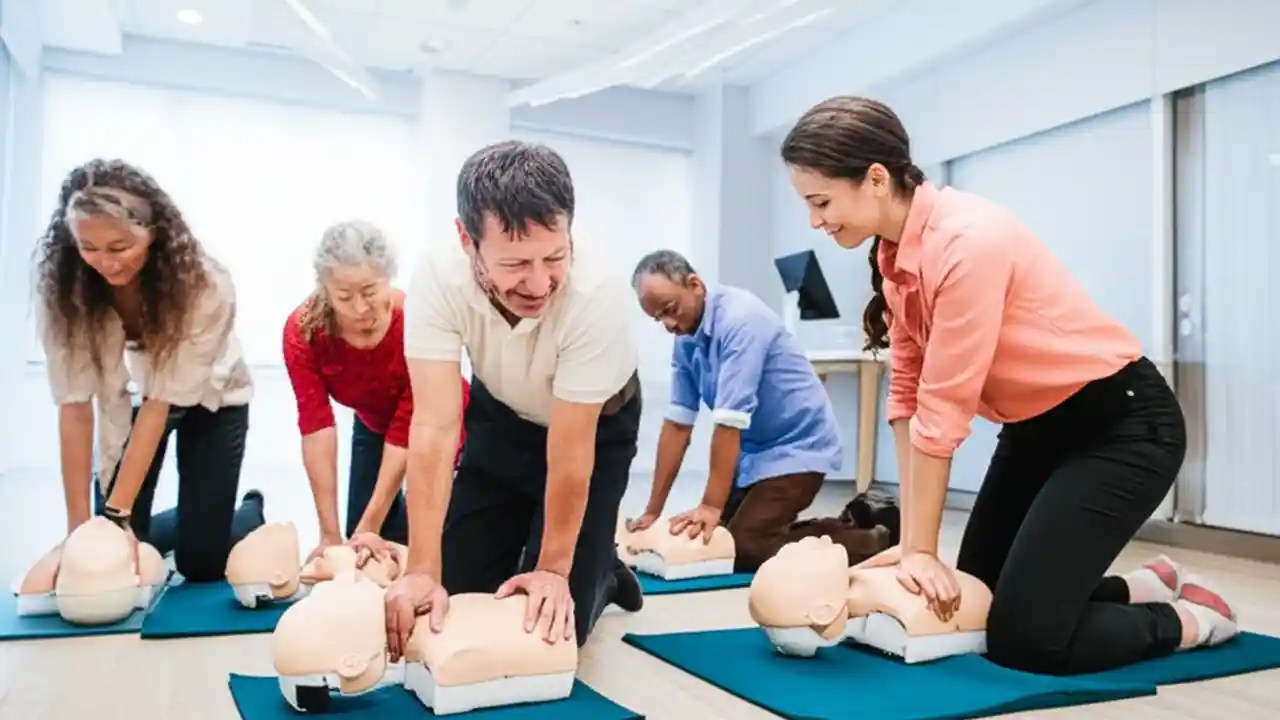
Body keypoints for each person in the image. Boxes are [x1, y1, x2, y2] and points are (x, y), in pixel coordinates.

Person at [778, 96, 1239, 675]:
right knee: (978, 596)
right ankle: (1144, 586)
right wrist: (914, 547)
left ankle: (1191, 620)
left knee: (1025, 639)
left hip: (1121, 428)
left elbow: (943, 413)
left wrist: (922, 547)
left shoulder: (968, 242)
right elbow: (908, 396)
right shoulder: (894, 255)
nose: (815, 222)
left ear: (874, 178)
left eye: (820, 202)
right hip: (1034, 432)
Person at [377, 139, 643, 658]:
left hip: (594, 429)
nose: (540, 283)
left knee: (550, 627)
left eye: (555, 257)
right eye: (516, 263)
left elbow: (569, 454)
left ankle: (603, 573)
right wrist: (422, 570)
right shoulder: (437, 276)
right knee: (451, 599)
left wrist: (551, 571)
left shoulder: (597, 293)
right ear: (466, 239)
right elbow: (433, 426)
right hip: (501, 417)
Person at [33, 158, 264, 582]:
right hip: (140, 398)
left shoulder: (205, 285)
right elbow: (75, 406)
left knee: (201, 563)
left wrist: (116, 515)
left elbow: (162, 402)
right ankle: (182, 518)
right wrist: (80, 533)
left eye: (120, 247)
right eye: (89, 247)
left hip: (214, 398)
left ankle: (248, 510)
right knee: (116, 539)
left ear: (152, 234)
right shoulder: (64, 284)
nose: (105, 262)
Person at [627, 249, 894, 572]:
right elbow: (678, 425)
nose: (669, 325)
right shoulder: (686, 336)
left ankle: (874, 539)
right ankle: (849, 522)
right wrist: (652, 513)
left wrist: (712, 505)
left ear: (694, 284)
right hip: (753, 454)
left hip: (797, 447)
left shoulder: (741, 321)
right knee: (716, 540)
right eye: (658, 318)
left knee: (745, 546)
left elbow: (729, 424)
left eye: (670, 310)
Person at [283, 220, 470, 560]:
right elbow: (316, 427)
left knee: (434, 534)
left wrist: (369, 525)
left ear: (388, 276)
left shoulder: (413, 321)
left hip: (439, 420)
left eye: (369, 292)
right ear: (324, 287)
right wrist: (330, 536)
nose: (359, 308)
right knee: (365, 541)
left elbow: (406, 429)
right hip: (371, 423)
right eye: (344, 296)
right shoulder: (303, 332)